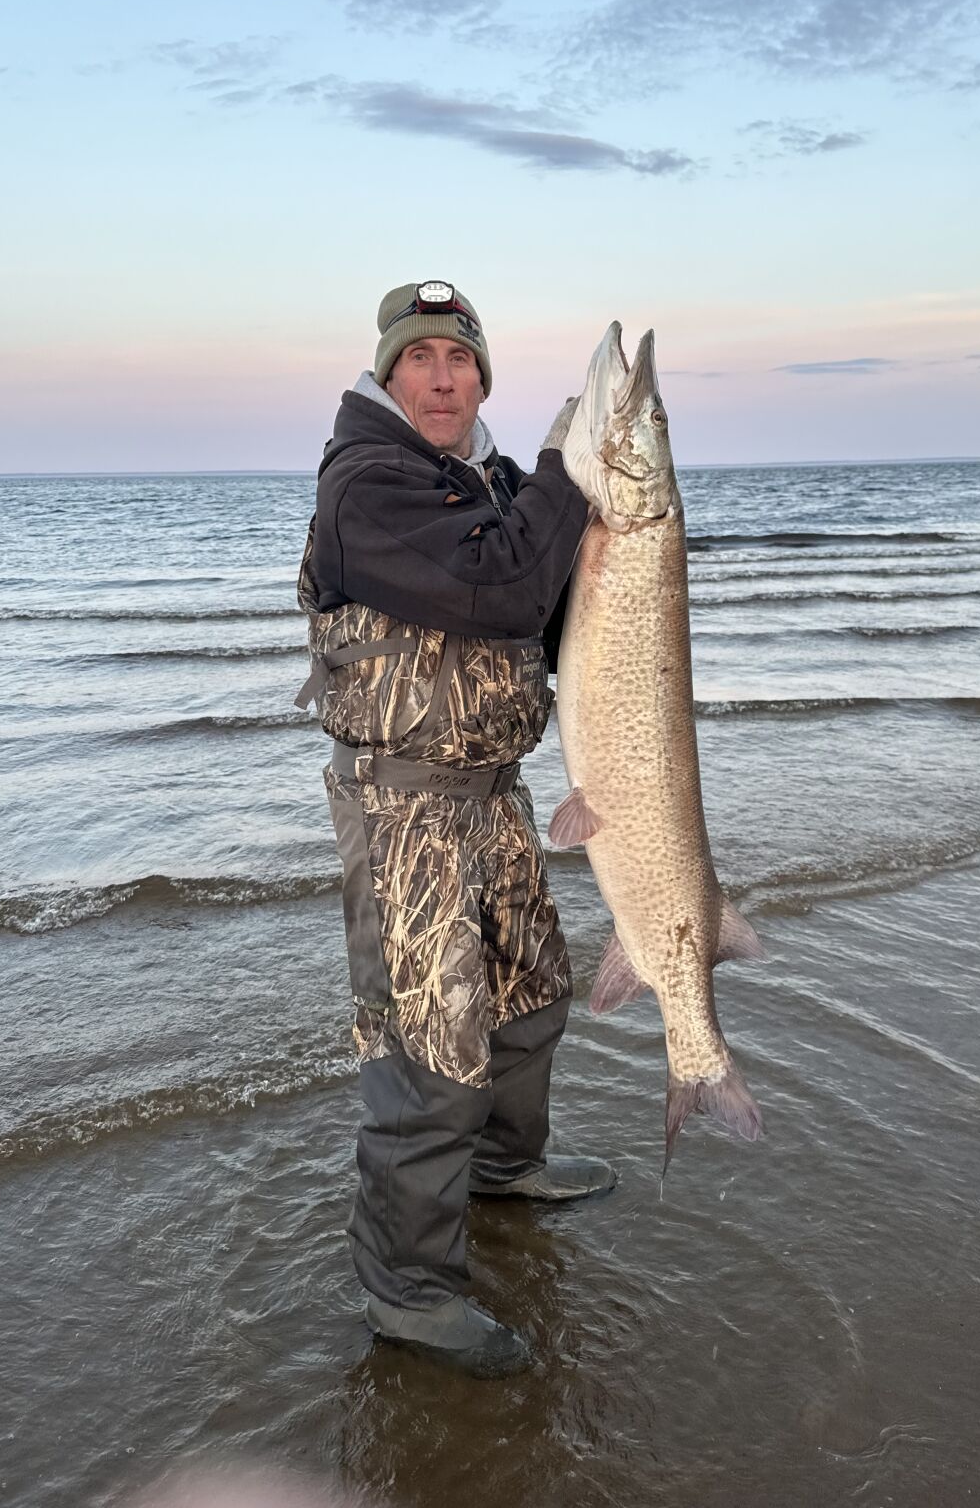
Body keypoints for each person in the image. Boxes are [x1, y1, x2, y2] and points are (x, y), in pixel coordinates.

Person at [296, 280, 615, 1377]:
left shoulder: (484, 477)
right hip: (405, 808)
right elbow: (500, 584)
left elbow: (564, 602)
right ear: (387, 374)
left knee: (530, 1000)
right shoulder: (368, 483)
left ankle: (501, 1167)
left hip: (495, 794)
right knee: (431, 1056)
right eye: (420, 357)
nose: (442, 377)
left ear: (482, 376)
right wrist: (578, 473)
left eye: (460, 359)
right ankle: (406, 1288)